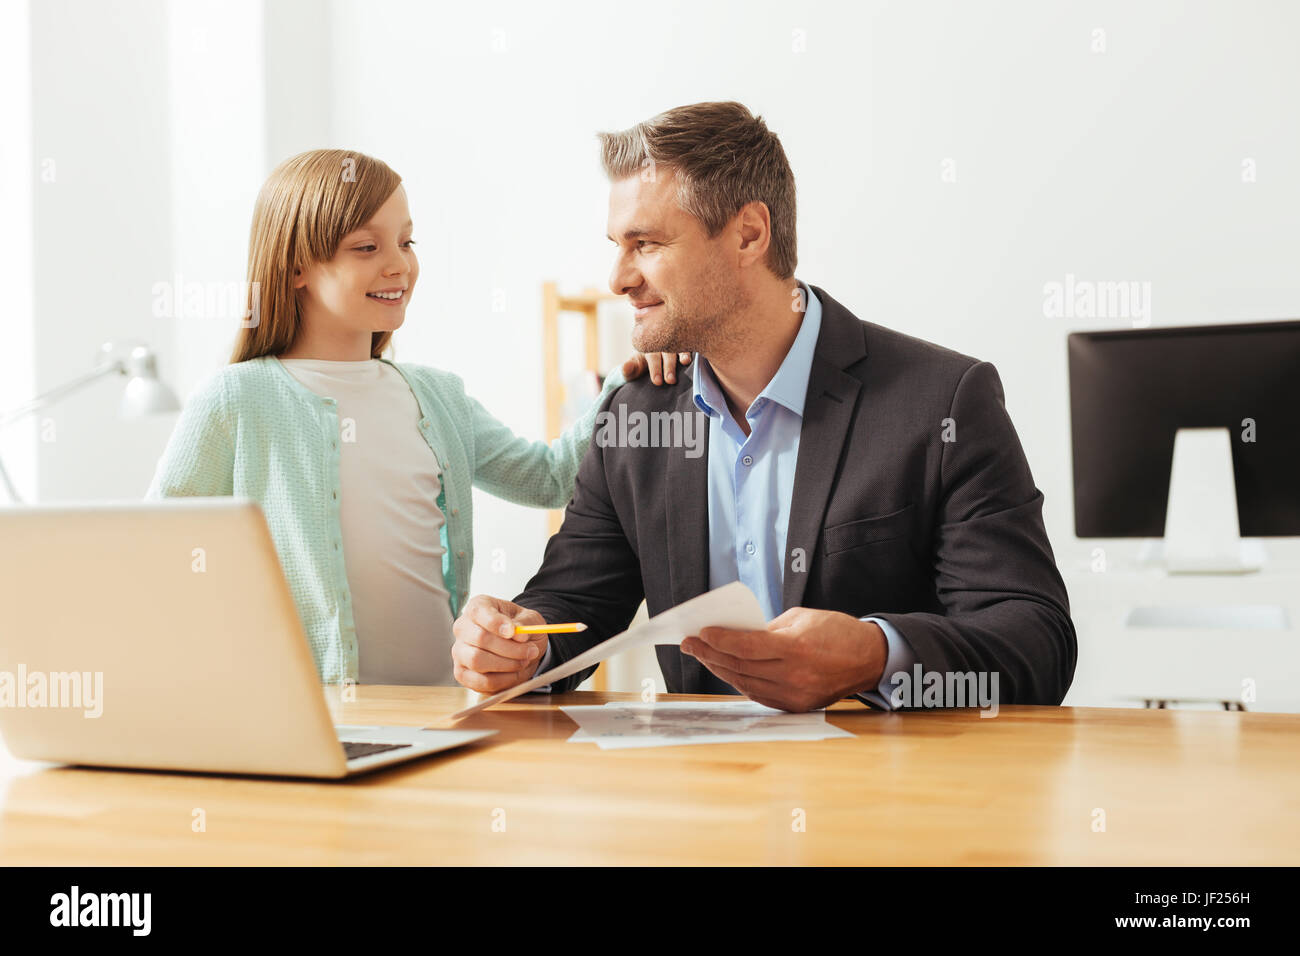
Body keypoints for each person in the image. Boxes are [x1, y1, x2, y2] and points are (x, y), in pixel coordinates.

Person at [450, 102, 1077, 712]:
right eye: (618, 243)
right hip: (704, 798)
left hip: (890, 801)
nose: (617, 278)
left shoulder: (941, 401)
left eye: (646, 243)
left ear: (749, 234)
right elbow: (571, 605)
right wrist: (517, 644)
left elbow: (1035, 642)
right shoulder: (636, 419)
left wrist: (874, 654)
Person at [147, 148, 685, 686]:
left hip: (438, 713)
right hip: (313, 721)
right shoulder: (238, 400)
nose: (398, 264)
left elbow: (548, 478)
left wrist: (624, 382)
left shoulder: (436, 397)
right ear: (294, 268)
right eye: (366, 247)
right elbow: (158, 555)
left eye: (407, 241)